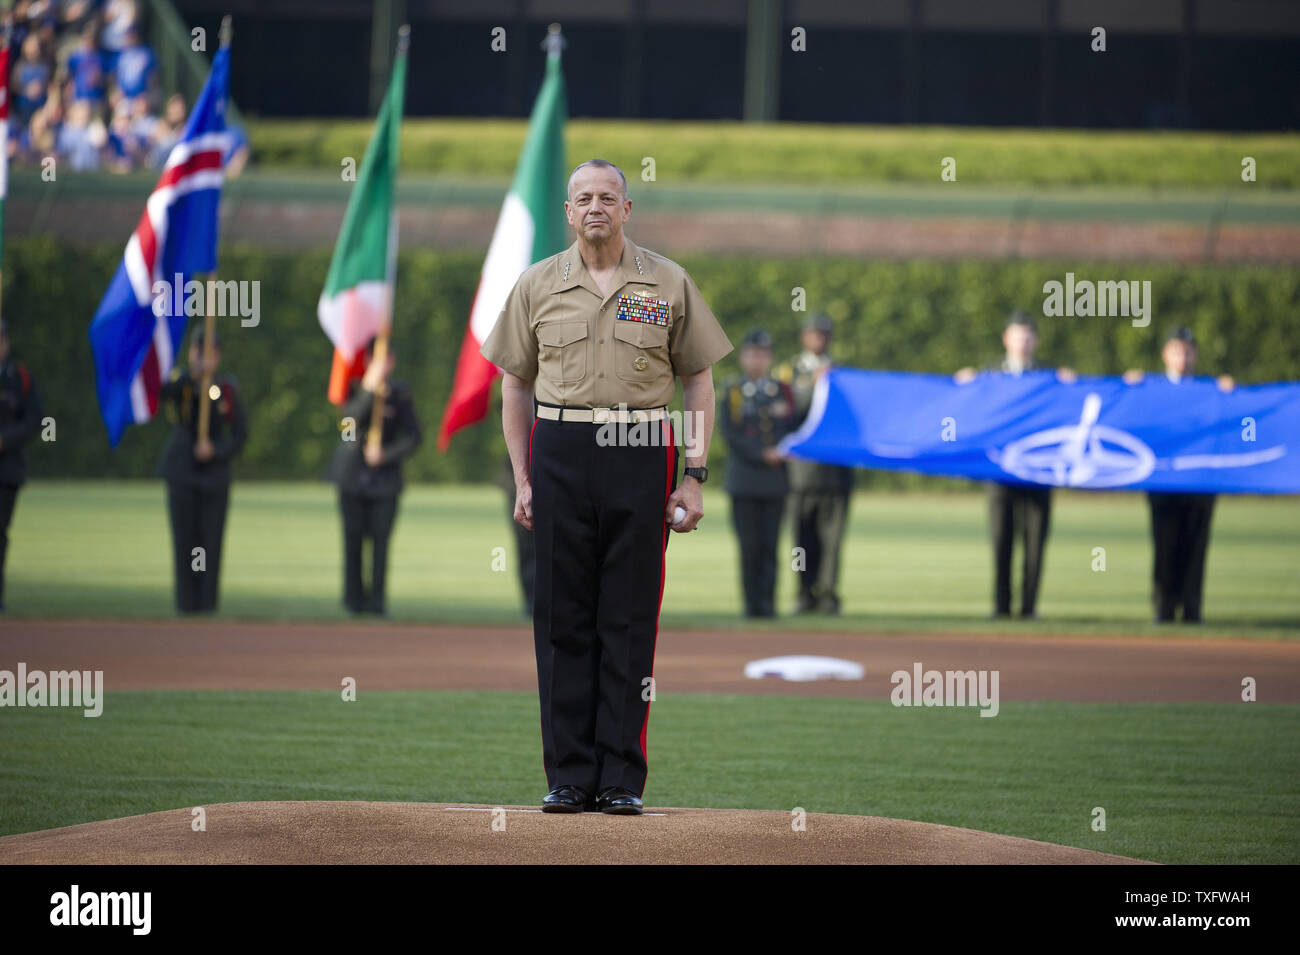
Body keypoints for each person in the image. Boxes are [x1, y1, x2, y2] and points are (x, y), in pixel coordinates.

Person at [482, 159, 732, 816]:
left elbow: (699, 379)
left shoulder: (666, 281)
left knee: (628, 618)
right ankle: (569, 775)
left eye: (608, 196)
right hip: (561, 445)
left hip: (643, 445)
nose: (595, 206)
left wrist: (695, 476)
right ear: (569, 212)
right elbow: (514, 383)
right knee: (562, 619)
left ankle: (620, 777)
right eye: (584, 197)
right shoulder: (537, 285)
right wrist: (523, 476)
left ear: (627, 209)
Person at [956, 311, 1076, 619]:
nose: (1022, 342)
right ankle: (1001, 606)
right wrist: (964, 385)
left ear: (1035, 341)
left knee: (1035, 544)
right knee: (1001, 542)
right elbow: (970, 410)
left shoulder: (1051, 377)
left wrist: (1074, 385)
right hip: (1000, 474)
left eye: (1027, 336)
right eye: (1017, 335)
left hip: (1037, 472)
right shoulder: (989, 375)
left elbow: (1077, 406)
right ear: (1006, 339)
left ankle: (1029, 607)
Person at [1123, 327, 1234, 623]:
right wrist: (1128, 387)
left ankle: (1192, 609)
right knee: (1165, 546)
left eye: (1187, 351)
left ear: (1195, 355)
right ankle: (1164, 608)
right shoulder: (1151, 389)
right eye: (1176, 350)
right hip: (1164, 483)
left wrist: (1231, 394)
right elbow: (1129, 413)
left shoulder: (1210, 391)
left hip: (1200, 482)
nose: (1182, 357)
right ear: (1165, 354)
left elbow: (1236, 420)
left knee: (1196, 547)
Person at [158, 330, 247, 614]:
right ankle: (186, 604)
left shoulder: (227, 387)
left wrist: (217, 451)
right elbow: (163, 395)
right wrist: (194, 375)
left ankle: (208, 604)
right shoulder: (181, 381)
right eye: (200, 351)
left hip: (214, 477)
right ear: (191, 354)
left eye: (211, 352)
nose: (206, 357)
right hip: (182, 473)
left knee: (211, 541)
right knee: (185, 540)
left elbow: (240, 434)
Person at [331, 340, 423, 616]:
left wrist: (385, 455)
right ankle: (353, 601)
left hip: (385, 482)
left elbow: (414, 437)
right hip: (352, 479)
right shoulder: (353, 388)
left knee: (381, 543)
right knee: (353, 540)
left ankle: (378, 602)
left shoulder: (400, 393)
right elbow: (347, 426)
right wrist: (369, 391)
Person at [776, 313, 852, 614]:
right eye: (813, 333)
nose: (818, 338)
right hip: (801, 473)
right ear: (803, 338)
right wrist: (814, 390)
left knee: (832, 540)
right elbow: (787, 415)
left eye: (823, 334)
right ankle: (803, 594)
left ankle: (829, 595)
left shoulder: (842, 374)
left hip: (836, 472)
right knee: (801, 539)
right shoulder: (788, 372)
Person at [720, 328, 795, 618]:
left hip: (775, 482)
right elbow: (731, 434)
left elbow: (794, 426)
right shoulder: (734, 391)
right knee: (749, 548)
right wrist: (763, 453)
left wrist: (782, 449)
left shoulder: (782, 390)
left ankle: (768, 606)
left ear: (770, 357)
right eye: (752, 354)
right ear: (743, 357)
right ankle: (751, 607)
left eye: (762, 354)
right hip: (744, 481)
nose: (757, 360)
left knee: (770, 547)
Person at [0, 320, 44, 612]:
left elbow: (34, 419)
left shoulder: (20, 378)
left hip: (6, 470)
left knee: (0, 533)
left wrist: (4, 440)